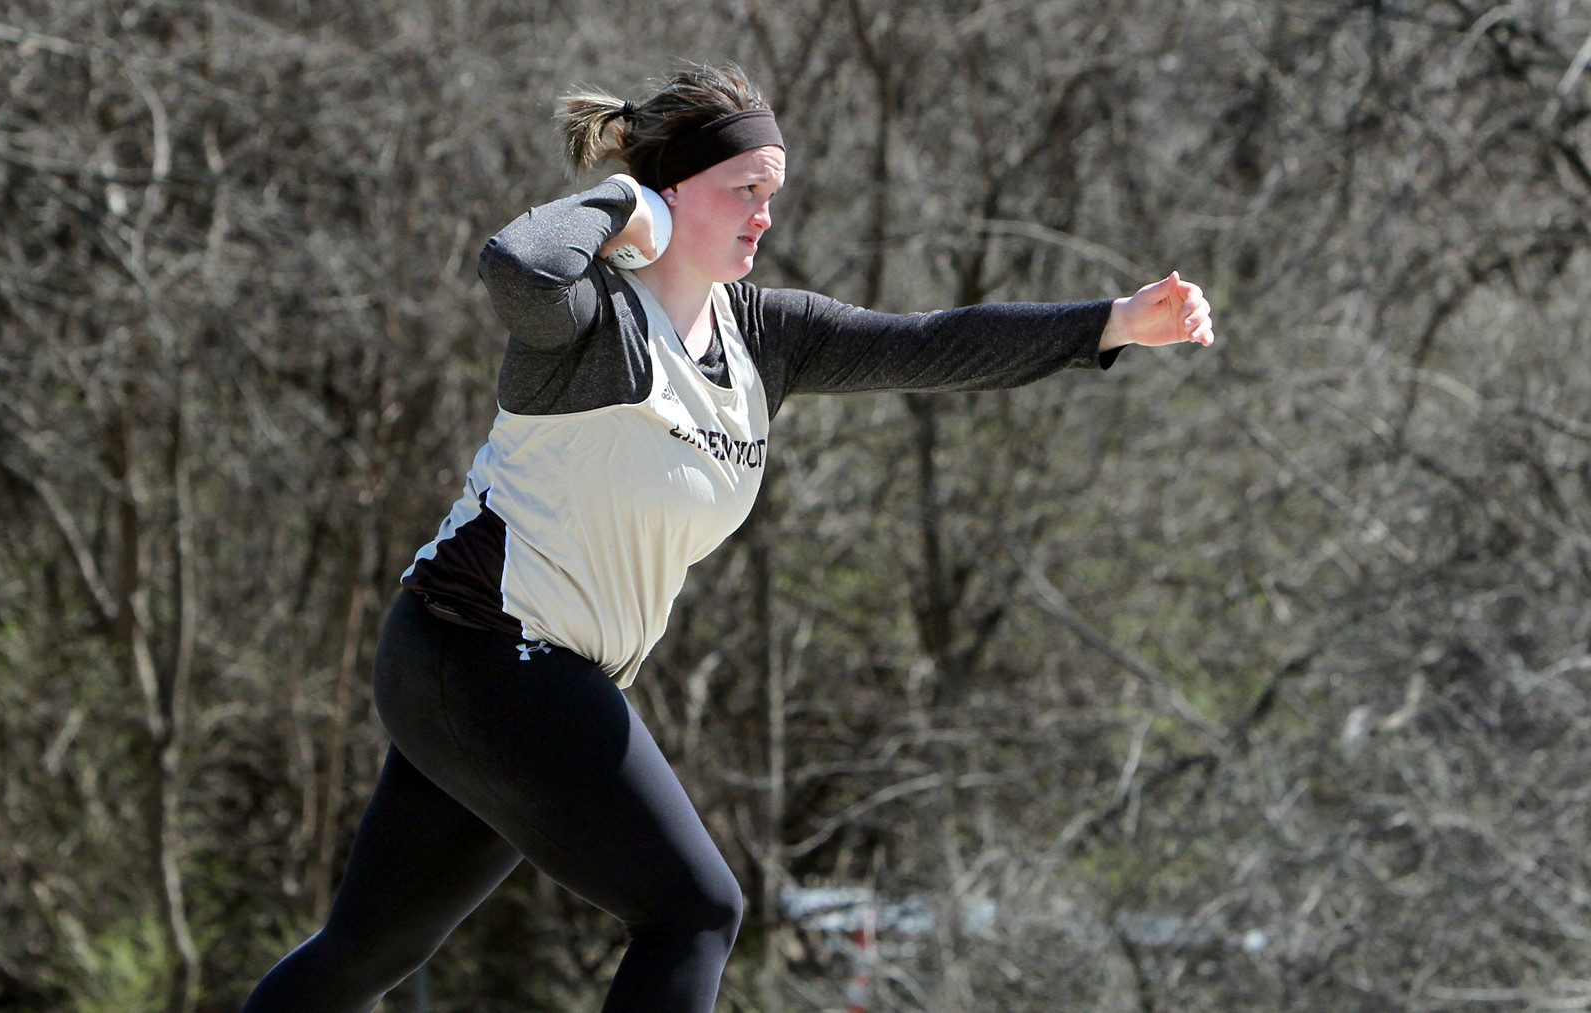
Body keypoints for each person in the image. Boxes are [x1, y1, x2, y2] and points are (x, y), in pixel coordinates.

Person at [241, 61, 1215, 1013]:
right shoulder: (592, 319)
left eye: (772, 193)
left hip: (494, 673)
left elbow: (933, 342)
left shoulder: (762, 337)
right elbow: (517, 264)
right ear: (672, 193)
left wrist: (1113, 323)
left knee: (361, 957)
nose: (765, 215)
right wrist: (624, 203)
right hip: (482, 652)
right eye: (744, 189)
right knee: (694, 910)